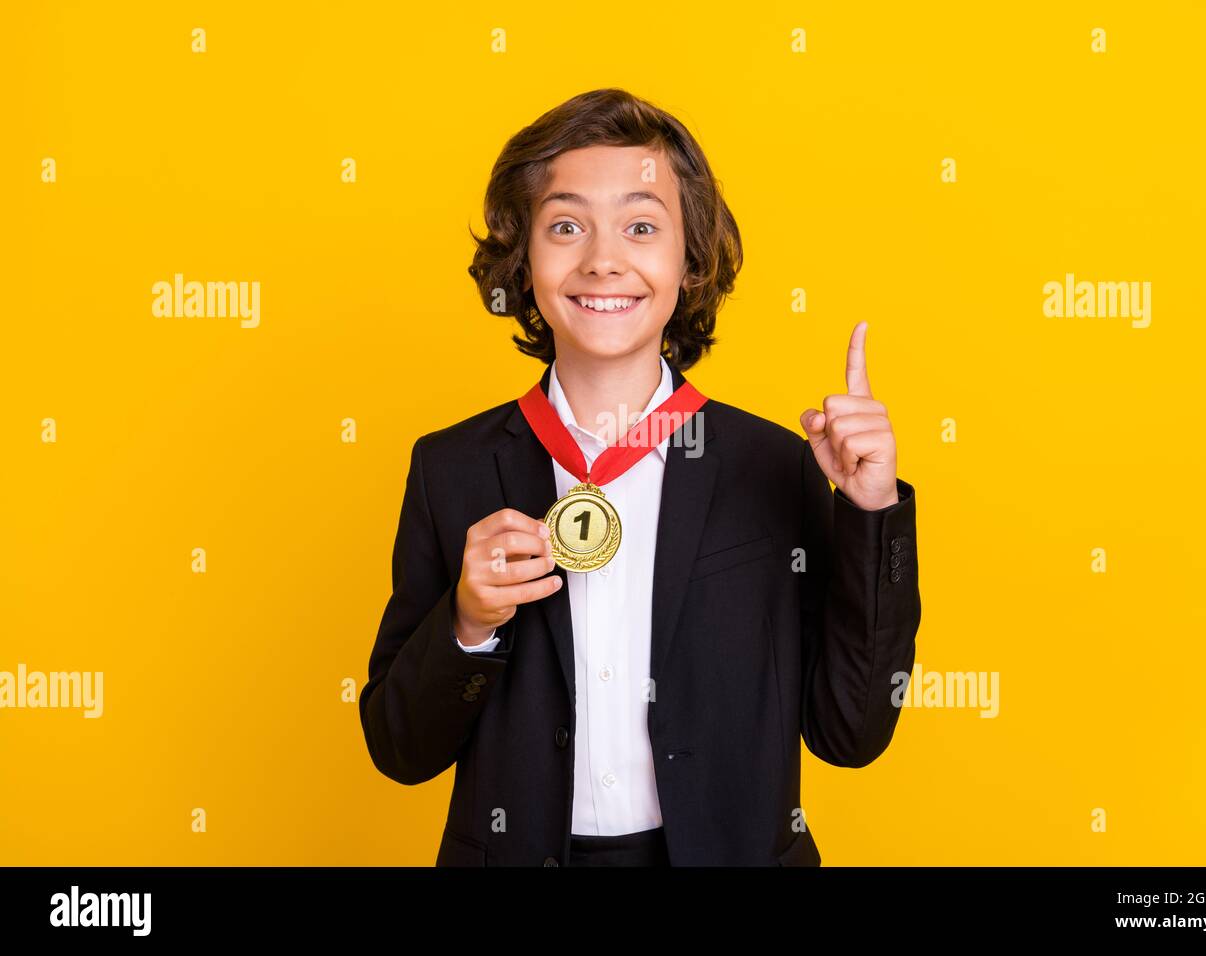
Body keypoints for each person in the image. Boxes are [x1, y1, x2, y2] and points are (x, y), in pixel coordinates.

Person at [359, 88, 921, 866]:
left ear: (689, 263)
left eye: (641, 226)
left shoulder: (775, 467)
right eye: (565, 226)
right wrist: (468, 621)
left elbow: (851, 733)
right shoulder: (451, 469)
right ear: (524, 263)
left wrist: (871, 510)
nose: (602, 259)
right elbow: (398, 747)